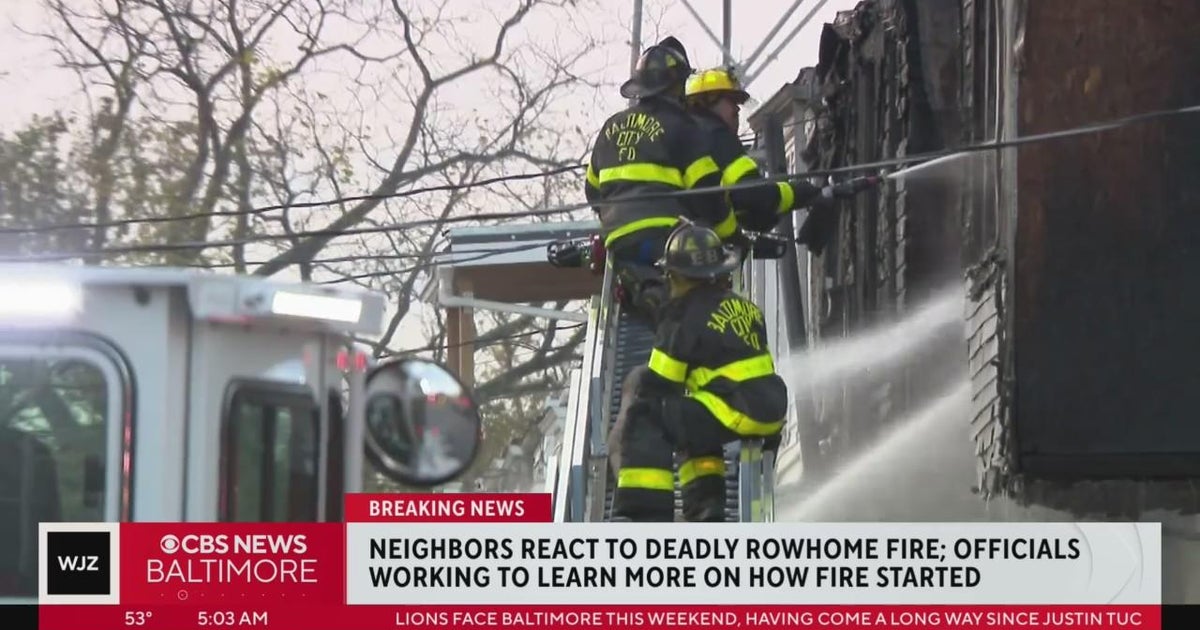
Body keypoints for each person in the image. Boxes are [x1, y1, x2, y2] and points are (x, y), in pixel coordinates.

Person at [608, 219, 789, 523]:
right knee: (689, 419)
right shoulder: (746, 308)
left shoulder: (680, 316)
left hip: (734, 409)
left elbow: (659, 383)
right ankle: (705, 510)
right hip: (771, 410)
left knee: (646, 413)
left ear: (678, 276)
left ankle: (647, 511)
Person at [583, 37, 740, 326]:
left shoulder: (610, 128)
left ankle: (647, 294)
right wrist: (732, 235)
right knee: (700, 282)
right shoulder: (682, 126)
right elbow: (708, 193)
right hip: (666, 238)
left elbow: (592, 191)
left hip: (619, 240)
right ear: (676, 86)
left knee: (644, 285)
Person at [683, 66, 880, 249]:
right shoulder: (717, 136)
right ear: (708, 101)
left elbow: (734, 203)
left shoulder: (686, 136)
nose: (737, 110)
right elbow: (752, 195)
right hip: (701, 252)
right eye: (731, 101)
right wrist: (803, 192)